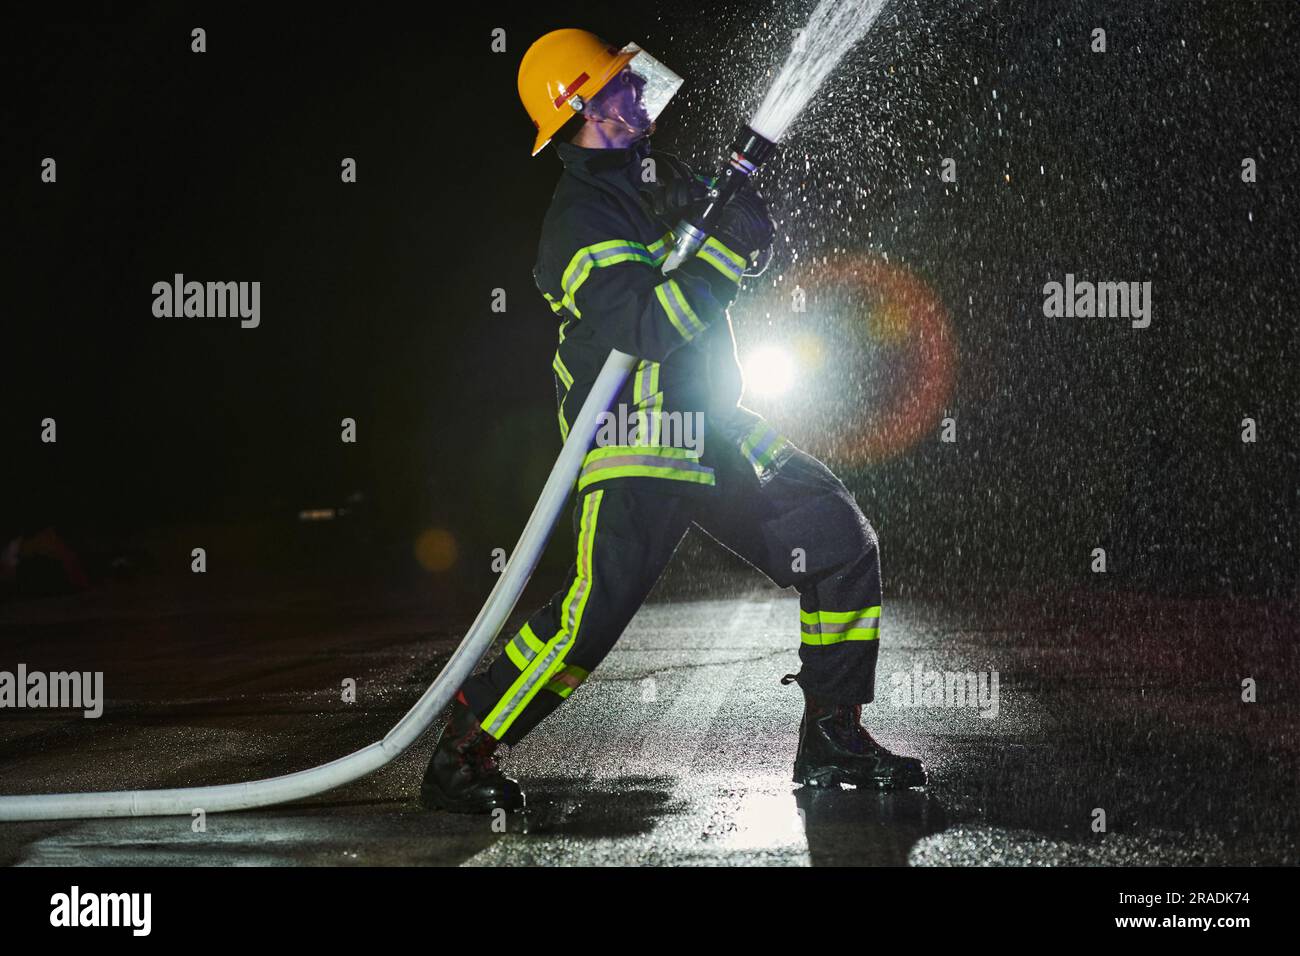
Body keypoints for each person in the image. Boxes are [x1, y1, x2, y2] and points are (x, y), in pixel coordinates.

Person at [420, 29, 926, 813]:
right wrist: (726, 252)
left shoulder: (652, 174)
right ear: (580, 107)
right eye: (618, 87)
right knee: (589, 617)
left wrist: (743, 222)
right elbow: (649, 325)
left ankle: (832, 731)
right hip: (637, 430)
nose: (637, 95)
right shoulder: (579, 218)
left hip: (713, 414)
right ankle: (466, 745)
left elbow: (727, 242)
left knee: (838, 537)